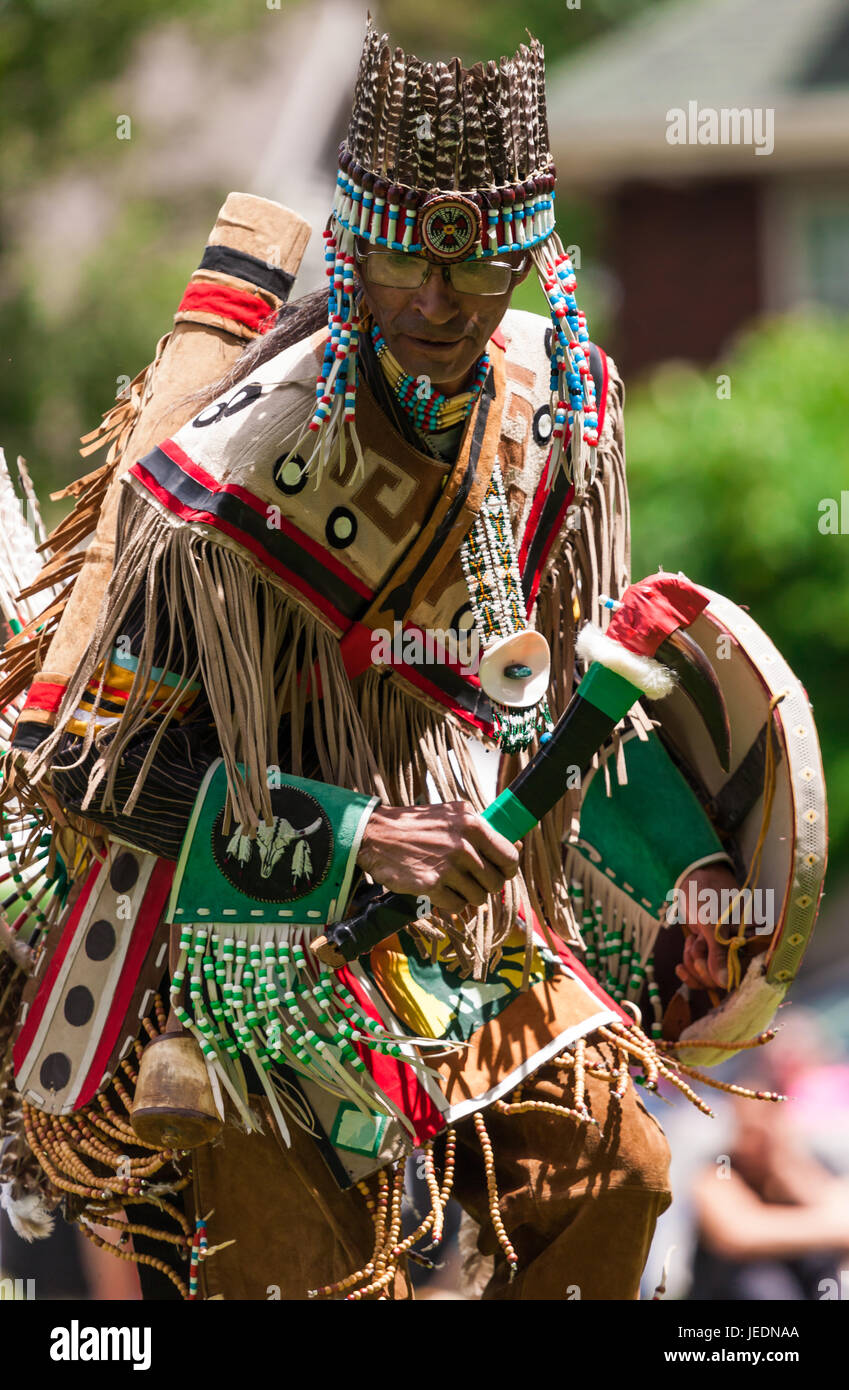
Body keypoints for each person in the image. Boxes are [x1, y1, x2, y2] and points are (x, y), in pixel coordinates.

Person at [0, 22, 782, 1302]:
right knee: (314, 1273)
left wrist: (689, 872)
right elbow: (89, 770)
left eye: (477, 275)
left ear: (533, 263)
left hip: (467, 926)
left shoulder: (555, 414)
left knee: (619, 1174)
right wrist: (367, 836)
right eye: (408, 263)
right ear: (354, 246)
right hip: (249, 928)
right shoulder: (226, 484)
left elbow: (552, 706)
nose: (440, 305)